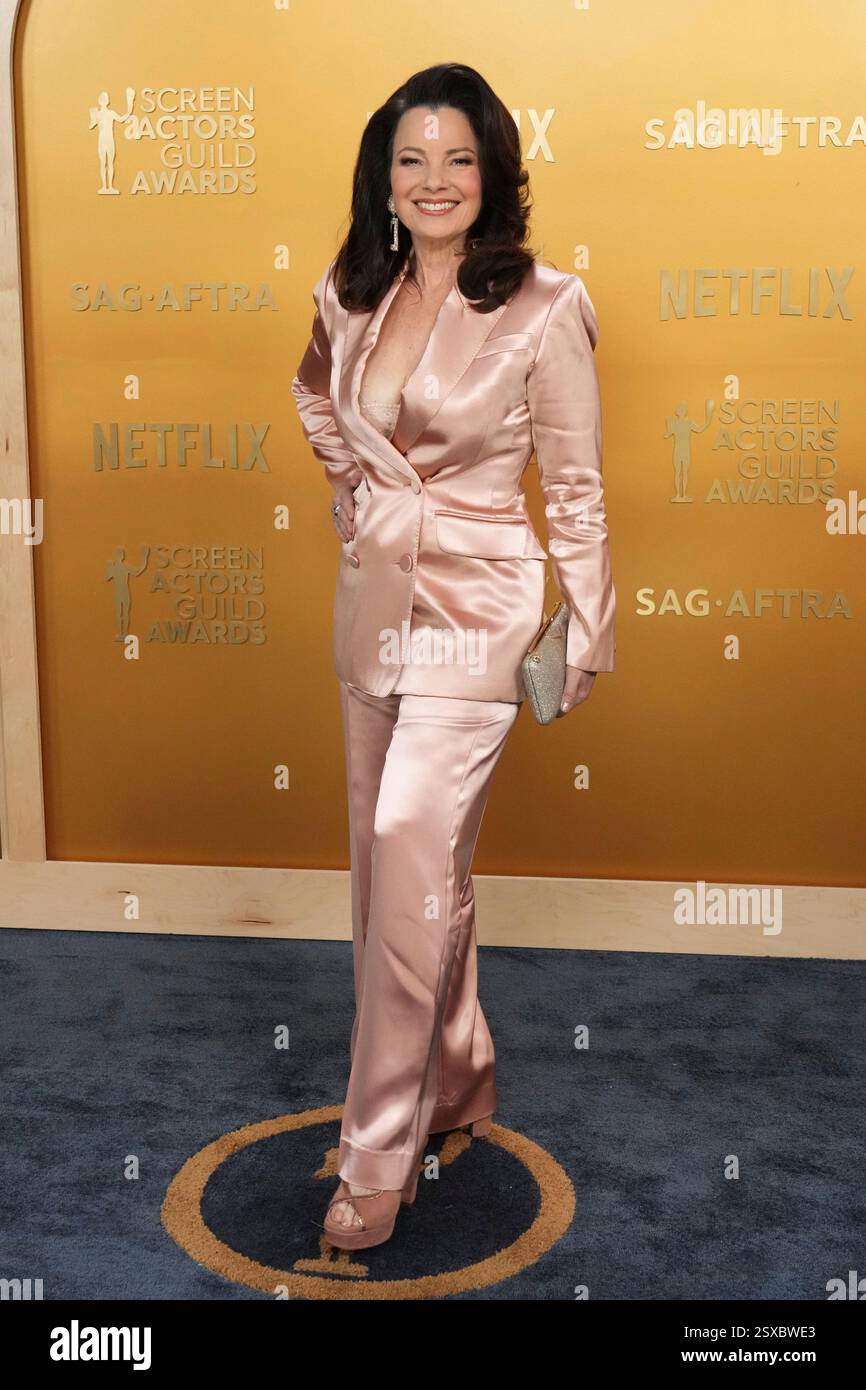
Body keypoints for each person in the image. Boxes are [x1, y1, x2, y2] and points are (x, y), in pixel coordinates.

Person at [291, 62, 616, 1251]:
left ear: (493, 173)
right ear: (385, 177)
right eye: (412, 160)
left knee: (402, 842)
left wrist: (583, 621)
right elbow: (317, 399)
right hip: (371, 609)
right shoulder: (351, 289)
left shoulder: (543, 303)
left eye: (458, 159)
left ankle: (379, 1149)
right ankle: (461, 1070)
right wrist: (354, 501)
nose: (434, 182)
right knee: (399, 877)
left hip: (478, 613)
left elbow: (573, 486)